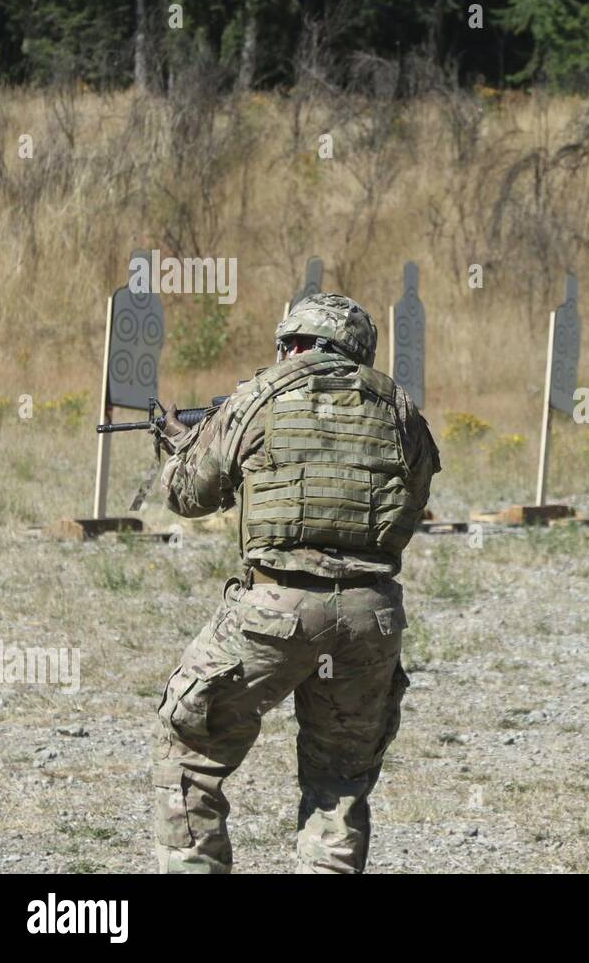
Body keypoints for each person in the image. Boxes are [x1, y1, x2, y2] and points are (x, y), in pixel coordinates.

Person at [151, 293, 440, 872]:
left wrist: (182, 443)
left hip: (275, 606)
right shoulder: (401, 408)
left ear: (291, 343)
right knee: (340, 781)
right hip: (369, 614)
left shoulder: (259, 395)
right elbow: (411, 504)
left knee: (192, 752)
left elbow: (187, 495)